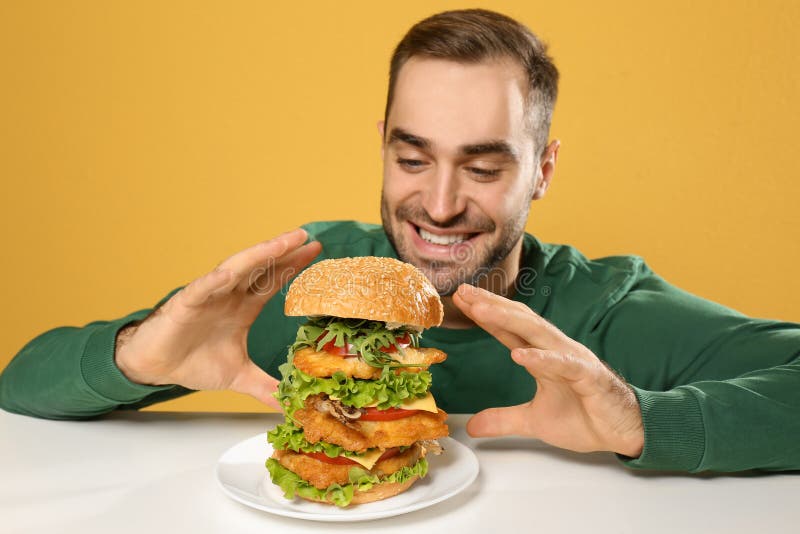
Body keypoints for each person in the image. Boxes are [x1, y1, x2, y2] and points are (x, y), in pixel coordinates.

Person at [1, 8, 798, 473]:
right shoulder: (309, 285)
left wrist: (643, 420)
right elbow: (19, 387)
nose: (440, 205)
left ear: (543, 170)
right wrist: (136, 357)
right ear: (382, 144)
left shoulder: (606, 315)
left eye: (483, 167)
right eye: (412, 159)